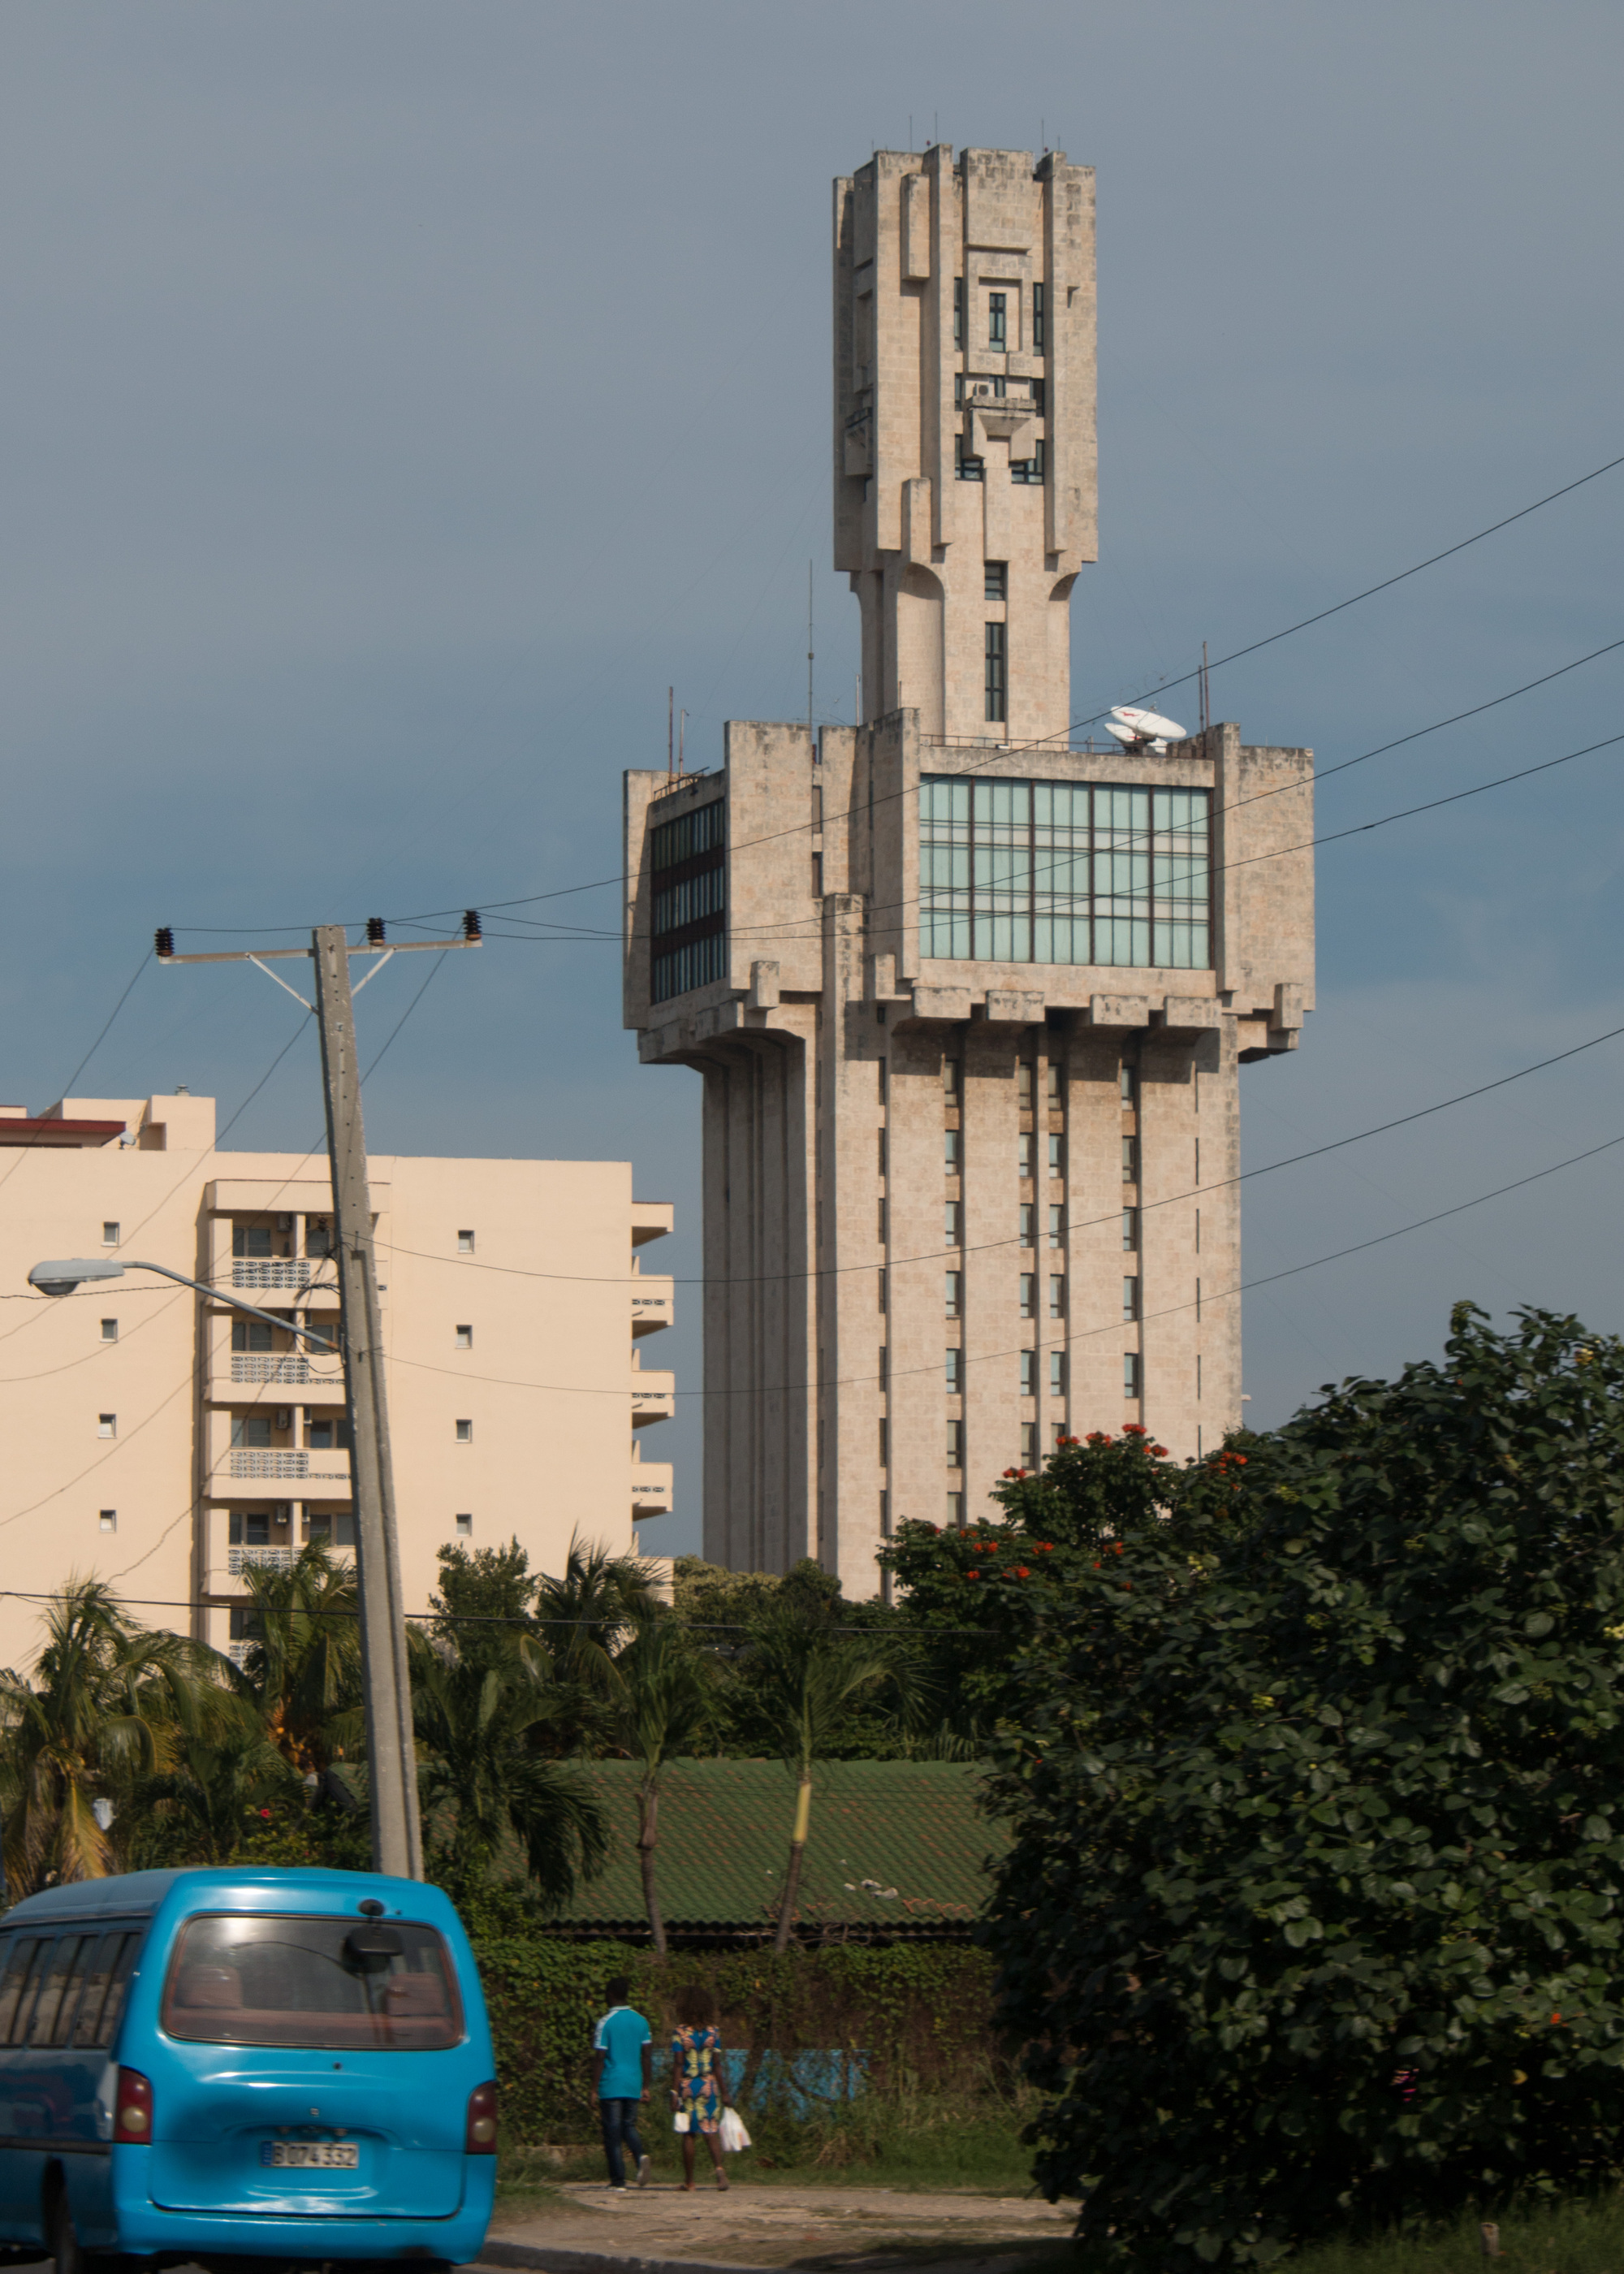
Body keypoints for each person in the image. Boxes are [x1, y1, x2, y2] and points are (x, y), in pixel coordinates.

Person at [592, 1975, 653, 2191]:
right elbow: (647, 2055)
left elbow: (600, 2057)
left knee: (613, 2132)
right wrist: (646, 2085)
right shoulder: (641, 2021)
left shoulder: (605, 2022)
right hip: (633, 2082)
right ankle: (640, 2156)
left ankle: (618, 2180)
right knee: (628, 2125)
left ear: (610, 1995)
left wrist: (593, 2088)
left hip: (612, 2083)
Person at [669, 1984, 729, 2192]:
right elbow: (717, 2065)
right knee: (710, 2130)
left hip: (688, 2086)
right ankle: (720, 2171)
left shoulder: (680, 2032)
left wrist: (674, 2092)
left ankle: (690, 2182)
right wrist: (725, 2092)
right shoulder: (714, 2032)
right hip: (709, 2085)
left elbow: (678, 2064)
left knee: (689, 2134)